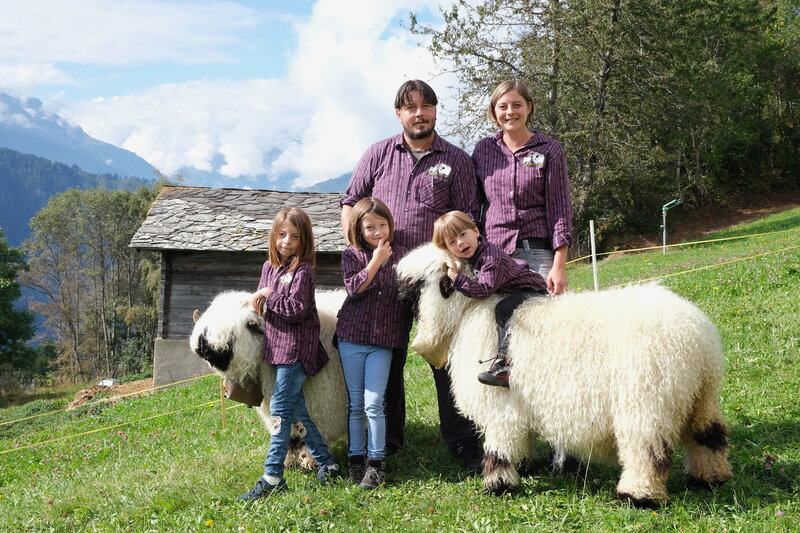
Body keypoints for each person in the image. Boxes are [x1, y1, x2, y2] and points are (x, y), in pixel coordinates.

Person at [341, 80, 483, 472]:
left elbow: (469, 215)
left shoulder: (456, 159)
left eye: (426, 106)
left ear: (435, 110)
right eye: (410, 107)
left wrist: (456, 262)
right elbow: (351, 202)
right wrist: (360, 252)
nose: (419, 113)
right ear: (398, 113)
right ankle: (387, 440)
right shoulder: (378, 154)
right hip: (385, 277)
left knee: (446, 358)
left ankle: (463, 440)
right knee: (387, 356)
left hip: (437, 278)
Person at [239, 207, 341, 501]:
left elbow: (296, 310)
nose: (286, 241)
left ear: (304, 240)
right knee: (296, 409)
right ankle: (328, 464)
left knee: (280, 413)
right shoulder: (269, 268)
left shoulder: (303, 272)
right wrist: (257, 303)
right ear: (274, 236)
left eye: (294, 237)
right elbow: (260, 304)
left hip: (296, 349)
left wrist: (270, 295)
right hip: (275, 348)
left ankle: (271, 477)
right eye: (282, 235)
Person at [472, 79, 573, 297]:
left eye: (517, 105)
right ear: (494, 111)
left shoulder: (550, 150)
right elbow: (473, 207)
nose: (510, 112)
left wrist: (559, 266)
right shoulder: (483, 150)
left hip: (537, 254)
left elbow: (560, 210)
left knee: (543, 323)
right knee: (495, 324)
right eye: (503, 106)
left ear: (529, 107)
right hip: (494, 256)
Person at [335, 197, 410, 489]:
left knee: (375, 403)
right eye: (370, 227)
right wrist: (377, 261)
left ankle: (375, 464)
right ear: (358, 228)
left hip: (383, 341)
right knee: (355, 404)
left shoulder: (403, 255)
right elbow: (354, 288)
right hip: (351, 337)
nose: (378, 232)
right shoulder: (352, 254)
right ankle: (355, 459)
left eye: (383, 225)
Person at [433, 211, 548, 388]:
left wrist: (456, 278)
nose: (460, 243)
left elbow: (483, 290)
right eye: (452, 242)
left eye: (463, 234)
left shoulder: (489, 256)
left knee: (503, 309)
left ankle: (505, 364)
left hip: (531, 289)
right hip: (514, 289)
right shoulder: (474, 256)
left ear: (476, 231)